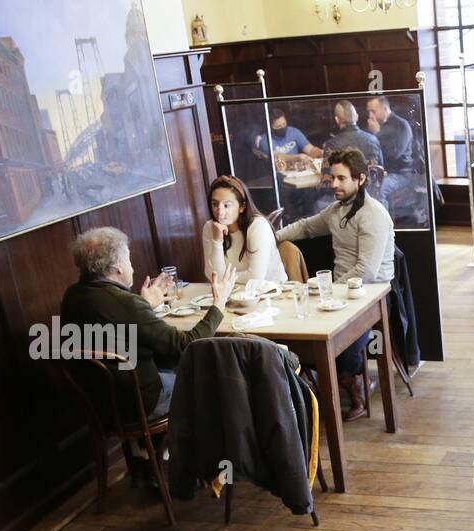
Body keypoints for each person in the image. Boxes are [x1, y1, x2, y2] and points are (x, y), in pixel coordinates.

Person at [60, 226, 237, 485]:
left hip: (102, 406)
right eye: (129, 259)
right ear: (119, 266)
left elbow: (118, 327)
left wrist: (145, 305)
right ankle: (215, 468)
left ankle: (153, 460)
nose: (132, 265)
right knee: (216, 381)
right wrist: (218, 304)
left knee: (177, 367)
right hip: (141, 402)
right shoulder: (125, 303)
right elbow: (186, 344)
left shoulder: (73, 296)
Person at [275, 148, 394, 422]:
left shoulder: (372, 214)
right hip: (341, 293)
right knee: (302, 331)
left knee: (342, 343)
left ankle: (356, 392)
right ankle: (318, 393)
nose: (334, 184)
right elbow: (305, 227)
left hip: (372, 295)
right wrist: (272, 236)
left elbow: (366, 270)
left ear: (360, 179)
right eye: (332, 178)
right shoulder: (337, 209)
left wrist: (328, 292)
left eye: (341, 178)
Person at [203, 174, 287, 285]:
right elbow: (214, 277)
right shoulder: (210, 228)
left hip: (272, 294)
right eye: (215, 204)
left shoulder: (258, 226)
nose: (220, 211)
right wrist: (217, 242)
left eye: (226, 205)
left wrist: (225, 279)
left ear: (242, 207)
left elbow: (255, 278)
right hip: (232, 295)